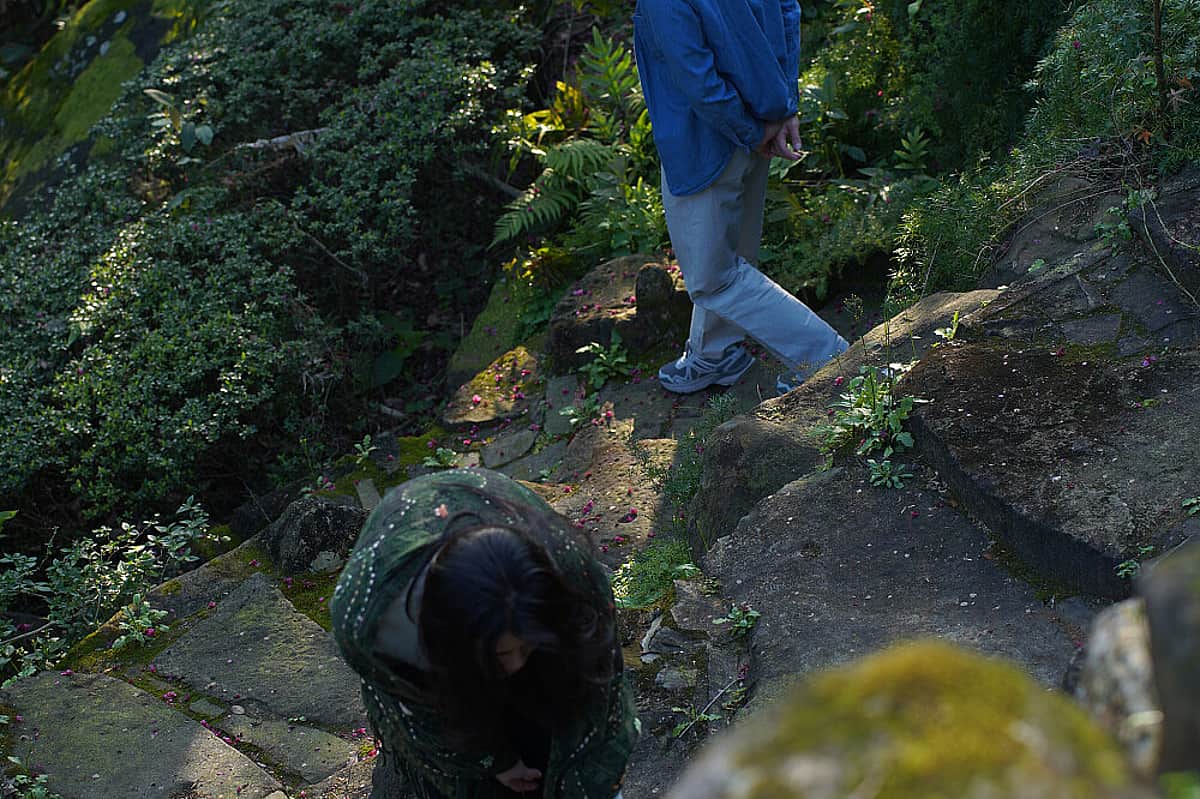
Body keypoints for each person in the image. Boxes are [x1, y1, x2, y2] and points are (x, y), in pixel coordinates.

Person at [331, 468, 637, 799]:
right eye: (502, 654)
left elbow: (599, 697)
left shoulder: (571, 574)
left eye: (526, 647)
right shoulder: (374, 630)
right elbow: (424, 720)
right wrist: (495, 762)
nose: (517, 665)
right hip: (437, 658)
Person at [633, 0, 849, 395]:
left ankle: (834, 363)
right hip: (755, 124)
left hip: (705, 142)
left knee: (714, 279)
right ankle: (716, 354)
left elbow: (695, 77)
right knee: (734, 255)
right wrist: (781, 108)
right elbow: (787, 12)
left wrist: (753, 129)